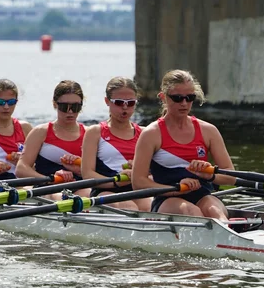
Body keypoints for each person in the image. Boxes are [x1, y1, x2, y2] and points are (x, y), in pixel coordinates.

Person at [131, 69, 235, 219]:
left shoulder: (208, 131)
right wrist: (176, 190)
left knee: (214, 212)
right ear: (163, 98)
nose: (184, 103)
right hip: (167, 198)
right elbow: (138, 182)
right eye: (177, 98)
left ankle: (231, 237)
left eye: (190, 97)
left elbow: (230, 177)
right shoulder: (151, 134)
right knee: (192, 213)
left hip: (202, 193)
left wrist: (209, 174)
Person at [80, 76, 151, 211]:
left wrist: (138, 171)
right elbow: (88, 174)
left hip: (136, 189)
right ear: (107, 101)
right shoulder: (95, 132)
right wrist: (116, 182)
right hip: (105, 191)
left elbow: (154, 173)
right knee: (128, 206)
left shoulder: (144, 133)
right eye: (119, 102)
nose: (125, 108)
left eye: (130, 103)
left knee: (150, 207)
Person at [16, 79, 87, 198]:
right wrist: (50, 179)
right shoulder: (41, 132)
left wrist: (79, 170)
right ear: (55, 104)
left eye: (75, 107)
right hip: (47, 188)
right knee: (59, 197)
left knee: (88, 195)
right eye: (64, 106)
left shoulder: (89, 134)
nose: (70, 112)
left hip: (80, 187)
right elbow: (21, 168)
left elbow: (98, 170)